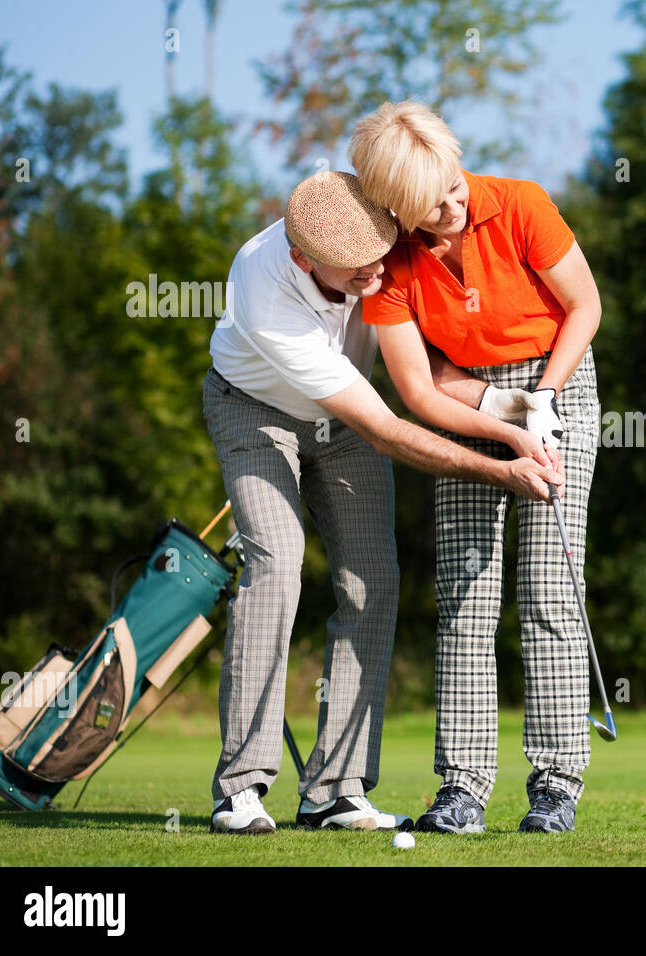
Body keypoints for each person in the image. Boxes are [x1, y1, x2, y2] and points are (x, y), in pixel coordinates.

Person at [203, 170, 562, 835]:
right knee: (277, 569)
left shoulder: (380, 243)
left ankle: (335, 792)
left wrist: (523, 408)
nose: (376, 270)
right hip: (253, 412)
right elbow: (389, 427)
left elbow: (434, 372)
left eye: (378, 252)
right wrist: (500, 470)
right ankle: (241, 789)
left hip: (343, 422)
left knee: (373, 583)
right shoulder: (265, 285)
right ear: (303, 257)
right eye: (355, 267)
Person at [349, 100, 603, 833]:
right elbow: (418, 391)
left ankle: (556, 784)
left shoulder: (522, 205)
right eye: (433, 204)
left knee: (550, 589)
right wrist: (507, 420)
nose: (453, 205)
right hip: (467, 395)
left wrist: (544, 401)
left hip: (560, 378)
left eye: (455, 186)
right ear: (398, 207)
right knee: (465, 589)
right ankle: (462, 786)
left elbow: (584, 307)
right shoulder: (391, 264)